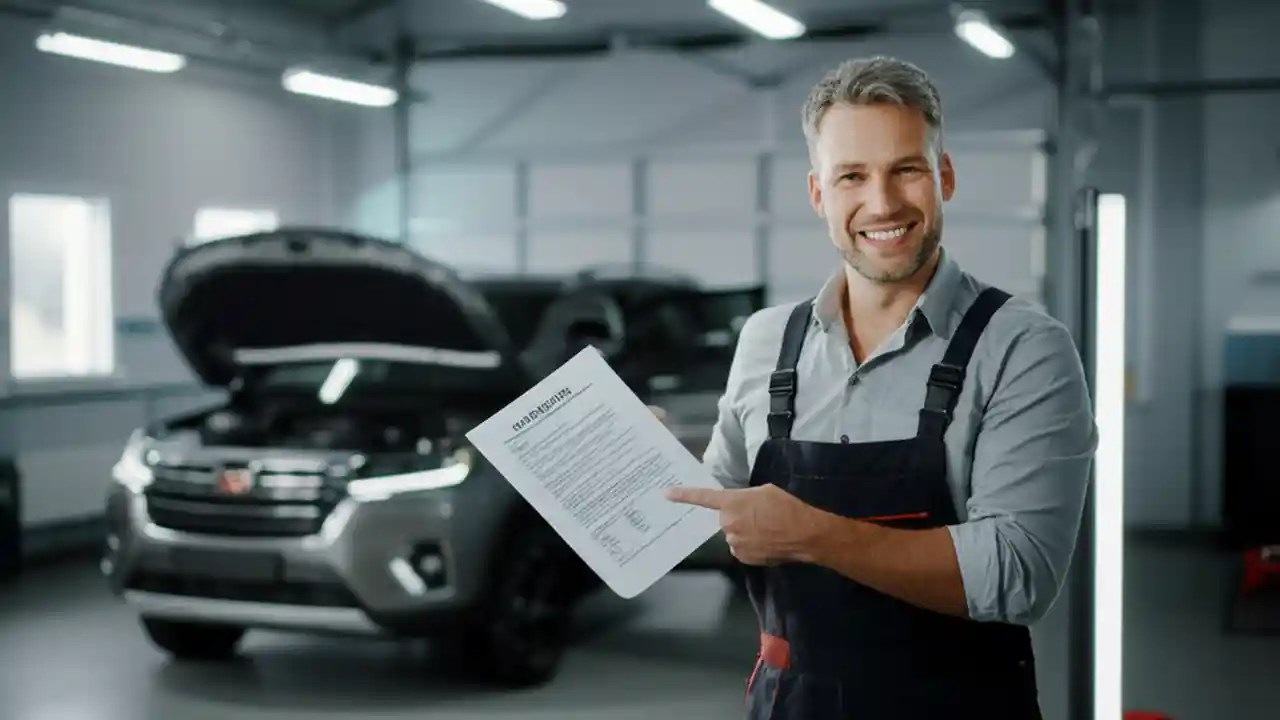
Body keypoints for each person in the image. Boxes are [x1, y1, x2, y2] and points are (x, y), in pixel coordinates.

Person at [664, 56, 1097, 719]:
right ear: (818, 194)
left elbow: (1018, 574)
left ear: (943, 177)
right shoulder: (764, 342)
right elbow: (713, 517)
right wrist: (646, 464)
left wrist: (811, 533)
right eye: (852, 177)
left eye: (907, 169)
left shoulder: (1023, 349)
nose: (883, 203)